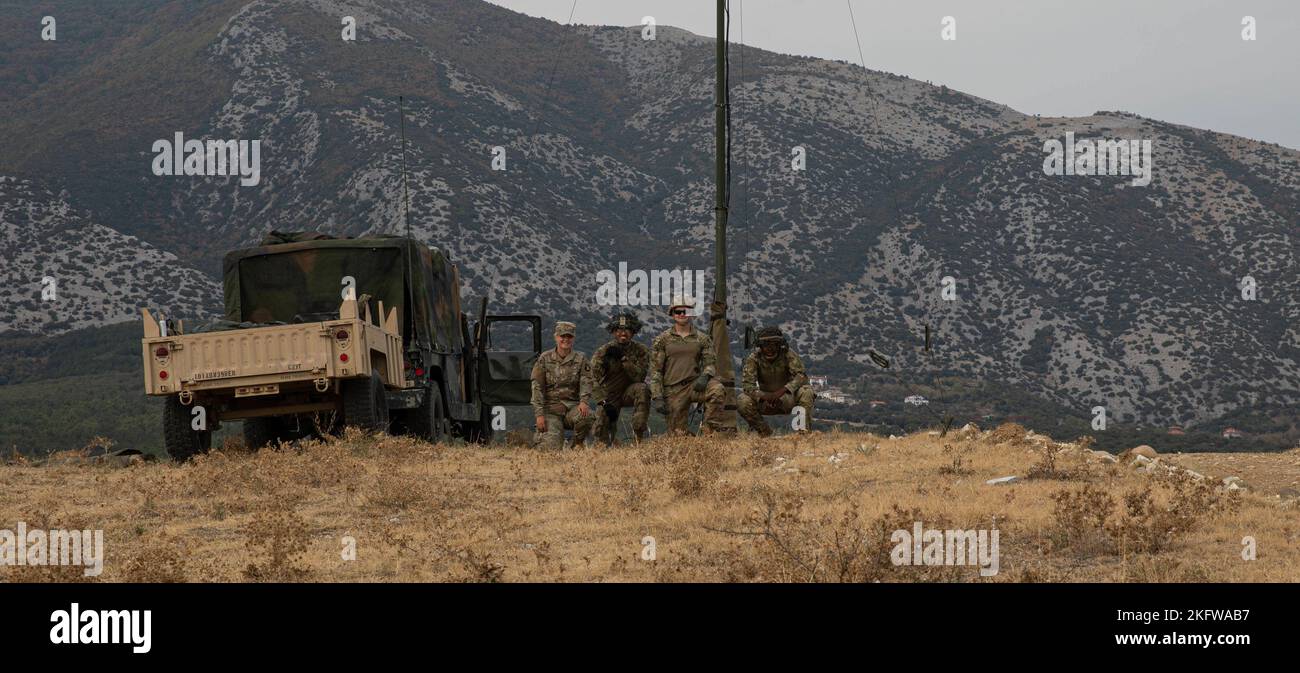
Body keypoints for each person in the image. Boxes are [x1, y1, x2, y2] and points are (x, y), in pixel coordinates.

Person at [649, 296, 726, 435]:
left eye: (686, 311)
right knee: (678, 435)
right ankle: (690, 439)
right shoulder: (662, 340)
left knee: (717, 389)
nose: (682, 314)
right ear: (672, 314)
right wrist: (657, 396)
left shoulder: (702, 339)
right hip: (673, 389)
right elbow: (656, 371)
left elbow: (710, 363)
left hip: (695, 385)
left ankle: (709, 432)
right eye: (678, 311)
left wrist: (706, 376)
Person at [738, 326, 815, 436]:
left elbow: (801, 376)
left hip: (787, 398)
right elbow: (747, 386)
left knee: (807, 391)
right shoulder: (754, 358)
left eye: (774, 345)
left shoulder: (788, 354)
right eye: (766, 345)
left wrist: (782, 392)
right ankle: (764, 432)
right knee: (742, 400)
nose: (770, 349)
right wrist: (764, 397)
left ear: (779, 345)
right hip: (764, 400)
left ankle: (803, 433)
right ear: (760, 346)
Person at [590, 312, 652, 445]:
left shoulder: (641, 350)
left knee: (643, 389)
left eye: (627, 330)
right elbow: (592, 379)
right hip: (609, 394)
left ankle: (639, 437)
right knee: (601, 434)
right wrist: (603, 402)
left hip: (630, 391)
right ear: (613, 332)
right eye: (619, 330)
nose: (623, 333)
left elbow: (639, 377)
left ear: (633, 332)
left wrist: (624, 360)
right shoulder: (604, 351)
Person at [530, 321, 594, 448]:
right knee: (549, 450)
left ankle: (577, 445)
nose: (565, 339)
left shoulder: (580, 358)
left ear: (573, 338)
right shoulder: (545, 358)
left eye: (569, 336)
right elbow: (536, 387)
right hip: (551, 410)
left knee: (587, 417)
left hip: (572, 408)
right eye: (562, 336)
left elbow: (586, 381)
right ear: (556, 337)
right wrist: (539, 414)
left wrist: (584, 401)